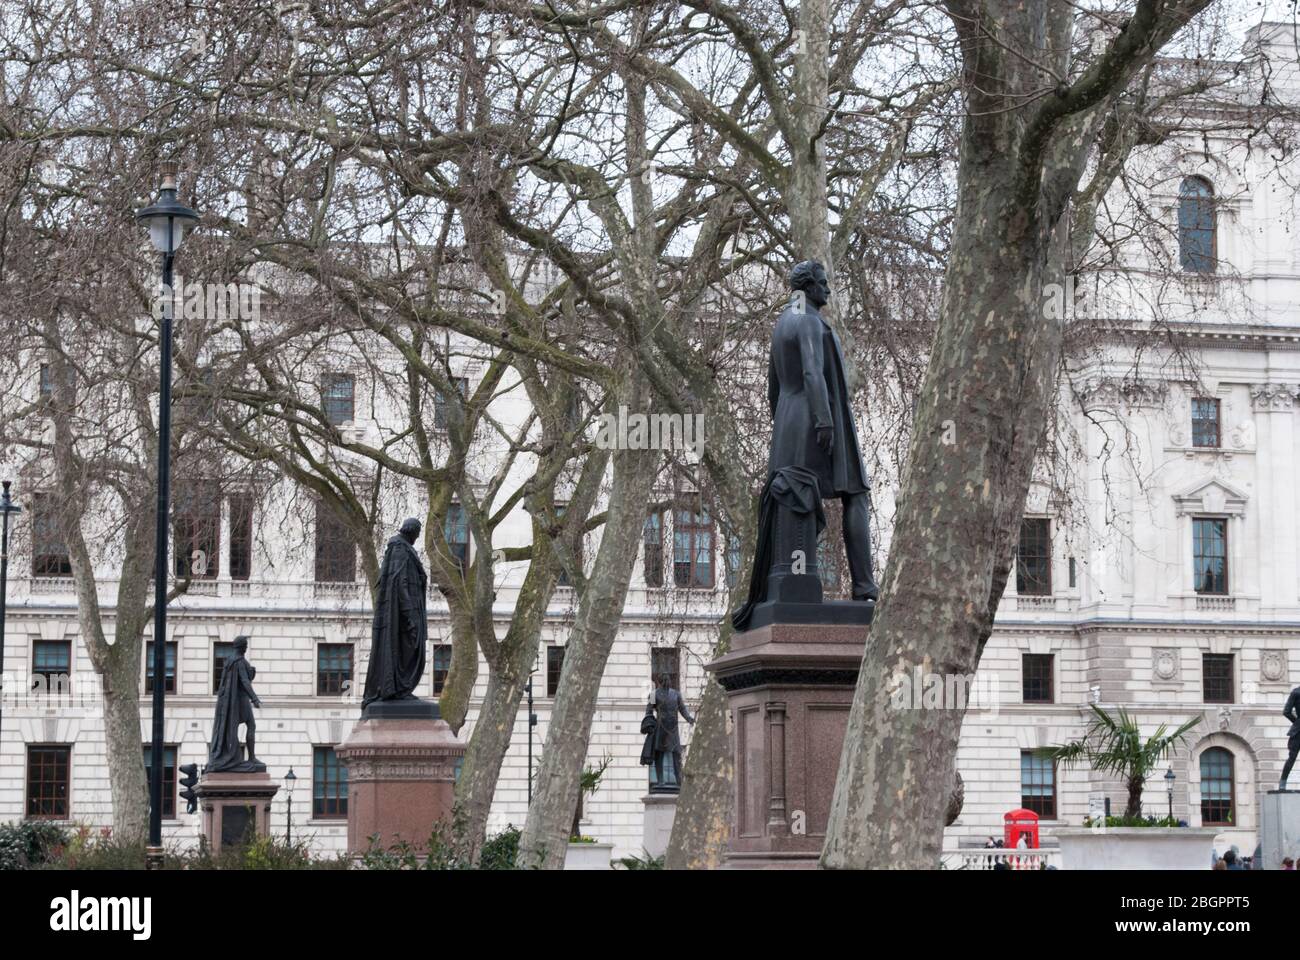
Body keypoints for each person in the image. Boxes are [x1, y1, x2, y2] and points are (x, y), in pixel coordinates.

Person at [207, 636, 264, 772]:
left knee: (233, 729)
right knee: (251, 725)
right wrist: (254, 699)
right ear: (242, 647)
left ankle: (245, 756)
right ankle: (251, 757)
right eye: (245, 645)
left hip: (229, 701)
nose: (247, 648)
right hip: (239, 700)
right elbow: (244, 682)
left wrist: (251, 672)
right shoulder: (239, 661)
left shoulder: (230, 661)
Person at [650, 674, 694, 790]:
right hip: (660, 728)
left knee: (677, 753)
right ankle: (660, 780)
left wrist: (689, 718)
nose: (666, 681)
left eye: (668, 679)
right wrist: (648, 725)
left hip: (673, 728)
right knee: (659, 755)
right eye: (664, 679)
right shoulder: (653, 694)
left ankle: (679, 780)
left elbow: (682, 708)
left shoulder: (676, 694)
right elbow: (648, 711)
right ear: (660, 681)